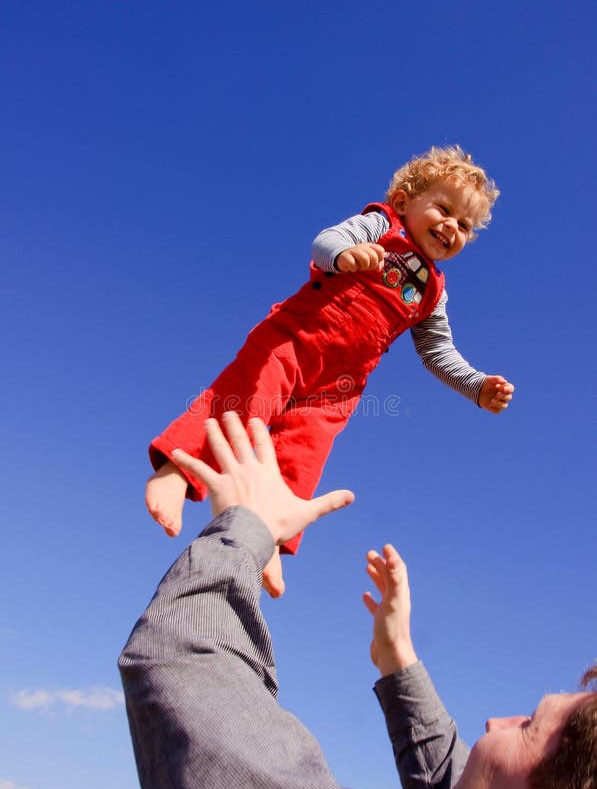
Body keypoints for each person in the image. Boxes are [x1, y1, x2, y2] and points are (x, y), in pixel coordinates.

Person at [120, 413, 596, 789]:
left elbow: (181, 659)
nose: (494, 723)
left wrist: (248, 526)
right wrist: (398, 656)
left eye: (530, 727)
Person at [144, 146, 515, 597]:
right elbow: (324, 243)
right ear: (403, 202)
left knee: (303, 454)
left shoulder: (433, 294)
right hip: (294, 340)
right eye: (445, 209)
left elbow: (439, 352)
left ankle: (270, 542)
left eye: (465, 226)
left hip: (341, 387)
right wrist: (345, 255)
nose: (452, 227)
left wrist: (475, 385)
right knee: (243, 402)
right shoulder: (381, 225)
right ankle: (176, 472)